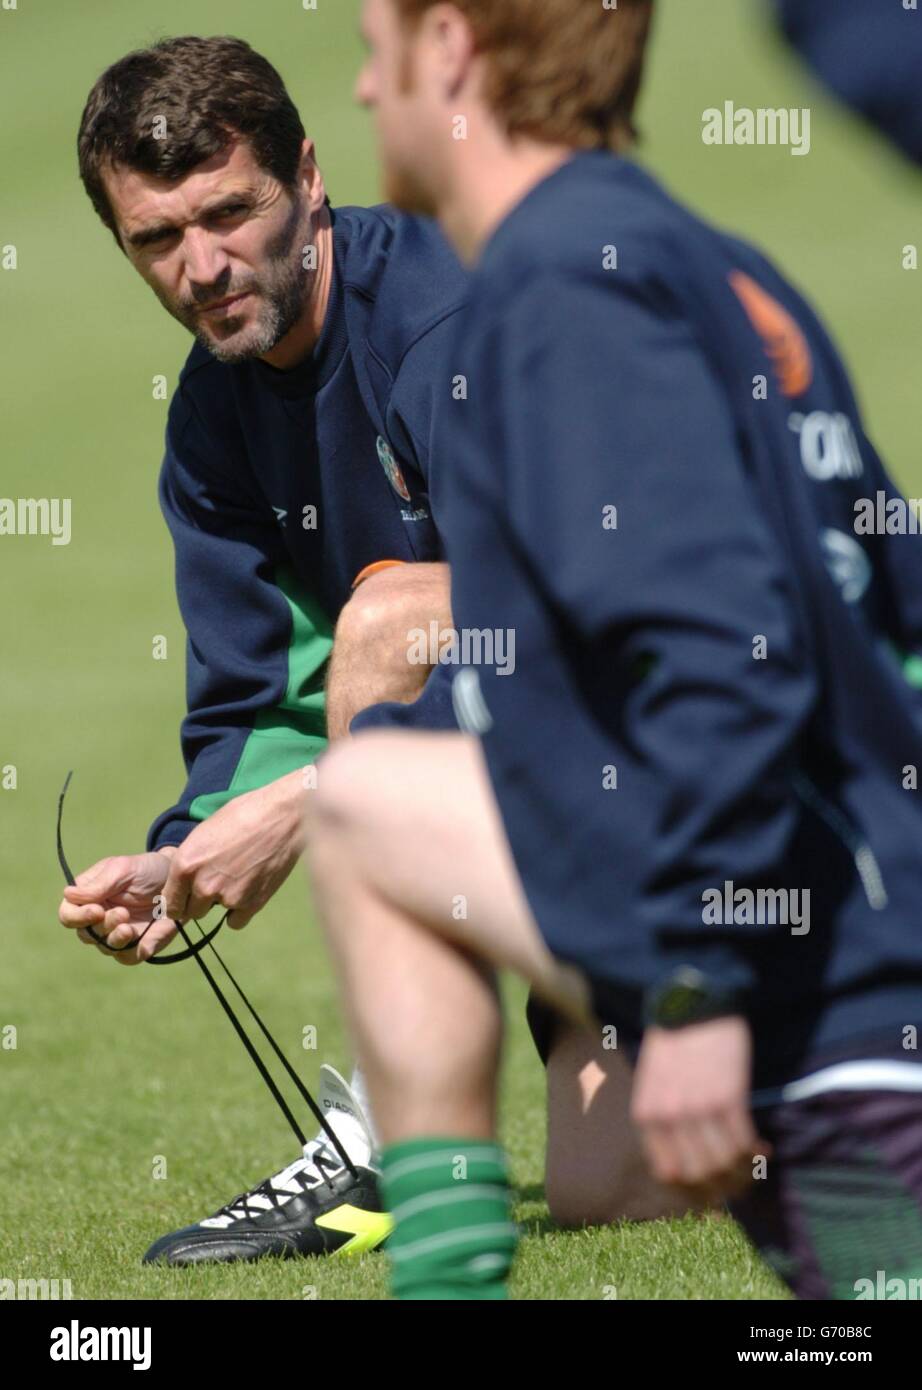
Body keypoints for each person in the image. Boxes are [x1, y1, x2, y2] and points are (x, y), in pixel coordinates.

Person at [304, 0, 922, 1300]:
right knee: (362, 800)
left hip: (839, 1017)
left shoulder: (558, 289)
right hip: (855, 914)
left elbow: (719, 637)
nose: (364, 92)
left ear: (453, 53)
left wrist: (693, 988)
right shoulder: (704, 258)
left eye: (377, 50)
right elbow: (886, 591)